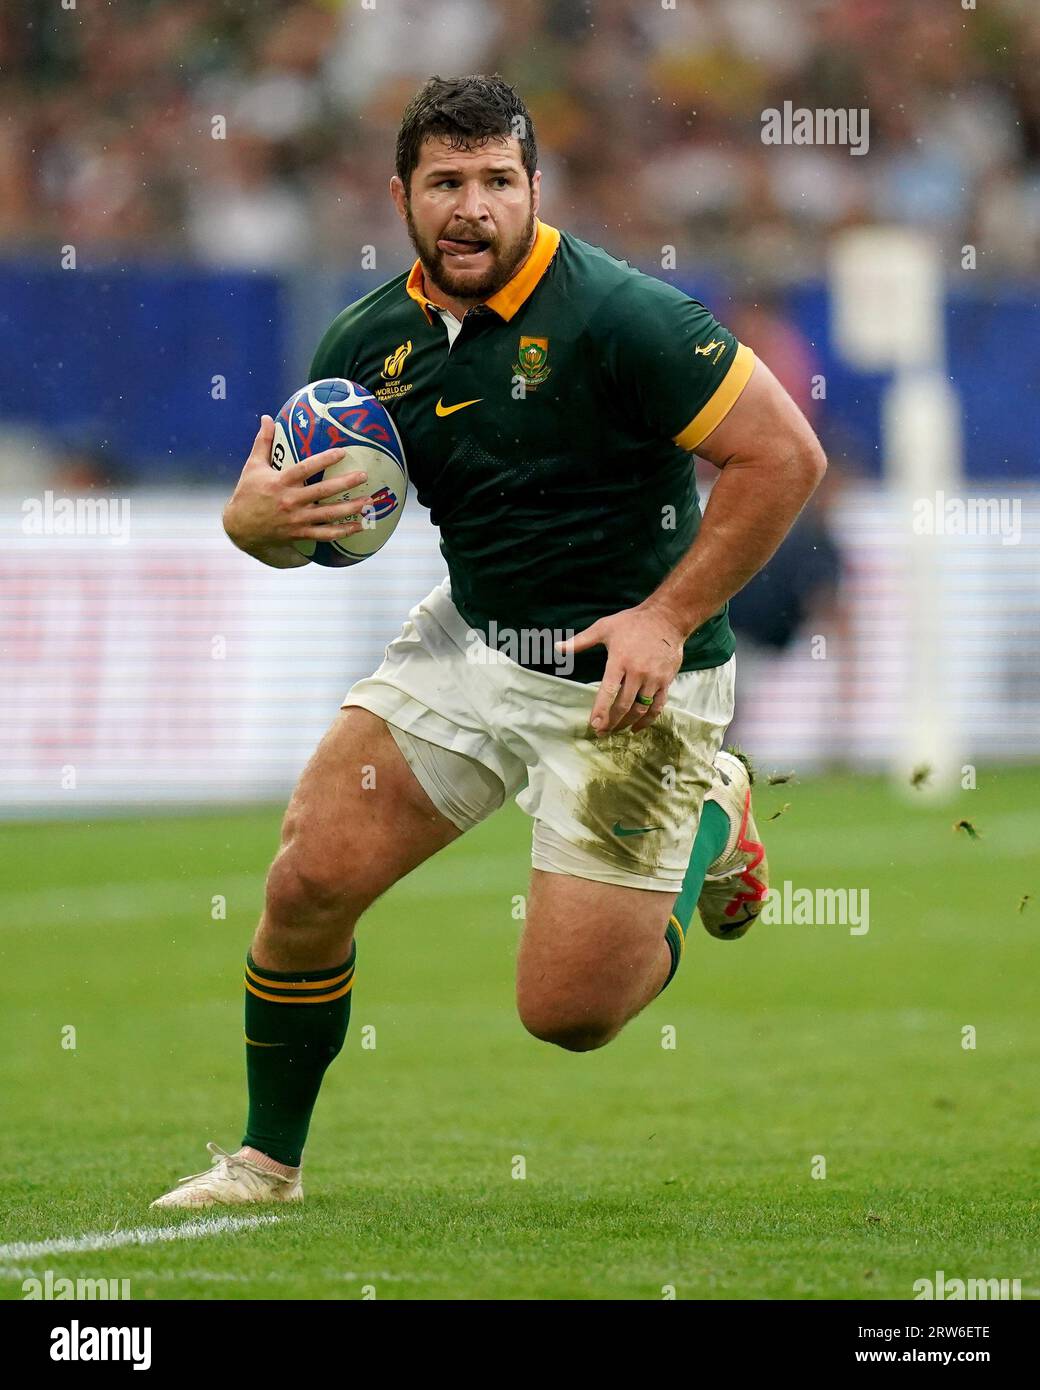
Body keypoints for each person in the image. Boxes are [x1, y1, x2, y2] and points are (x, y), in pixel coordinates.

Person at [152, 74, 826, 1208]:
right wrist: (251, 525)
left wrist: (664, 616)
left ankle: (717, 809)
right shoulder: (365, 344)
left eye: (496, 183)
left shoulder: (621, 316)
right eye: (447, 182)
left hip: (631, 681)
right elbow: (320, 526)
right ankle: (265, 1163)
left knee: (568, 1014)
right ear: (402, 195)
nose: (473, 207)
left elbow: (784, 457)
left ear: (531, 191)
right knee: (309, 874)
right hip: (473, 643)